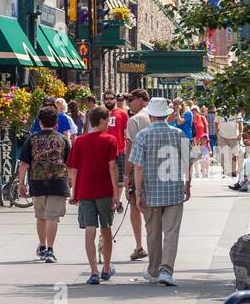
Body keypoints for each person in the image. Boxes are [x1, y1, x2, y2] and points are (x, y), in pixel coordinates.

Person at [130, 96, 192, 287]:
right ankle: (167, 270)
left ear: (150, 115)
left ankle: (154, 270)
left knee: (153, 232)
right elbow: (187, 161)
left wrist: (138, 192)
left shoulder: (143, 135)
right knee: (171, 232)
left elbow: (138, 167)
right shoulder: (179, 134)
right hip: (173, 190)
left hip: (151, 191)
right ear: (166, 115)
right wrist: (187, 185)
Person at [67, 106, 119, 285]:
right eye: (108, 120)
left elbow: (73, 169)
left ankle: (94, 272)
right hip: (104, 189)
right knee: (106, 228)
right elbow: (112, 167)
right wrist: (115, 194)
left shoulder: (80, 141)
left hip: (84, 190)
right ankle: (106, 267)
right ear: (103, 121)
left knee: (90, 229)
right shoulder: (110, 140)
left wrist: (74, 192)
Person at [17, 104, 70, 263]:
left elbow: (24, 164)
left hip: (37, 181)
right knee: (52, 216)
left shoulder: (31, 140)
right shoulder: (62, 139)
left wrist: (21, 183)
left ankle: (42, 245)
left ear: (40, 121)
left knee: (40, 216)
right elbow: (70, 163)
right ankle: (50, 250)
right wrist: (71, 179)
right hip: (58, 181)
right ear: (56, 123)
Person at [124, 87, 151, 261]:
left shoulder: (135, 119)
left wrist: (127, 175)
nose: (128, 103)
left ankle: (140, 246)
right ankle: (155, 245)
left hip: (138, 168)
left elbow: (130, 148)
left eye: (131, 100)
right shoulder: (157, 117)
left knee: (135, 205)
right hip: (157, 170)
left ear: (140, 100)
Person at [103, 88, 128, 193]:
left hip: (120, 149)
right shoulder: (100, 113)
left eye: (111, 98)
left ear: (115, 100)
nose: (109, 101)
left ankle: (117, 200)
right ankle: (109, 199)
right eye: (106, 99)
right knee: (105, 176)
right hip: (103, 150)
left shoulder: (122, 114)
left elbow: (126, 132)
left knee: (120, 178)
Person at [216, 110, 243, 179]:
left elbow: (240, 123)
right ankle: (225, 170)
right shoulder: (220, 111)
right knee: (223, 153)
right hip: (222, 136)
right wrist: (217, 133)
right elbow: (216, 123)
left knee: (234, 154)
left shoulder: (236, 112)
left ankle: (233, 171)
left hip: (234, 136)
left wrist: (240, 134)